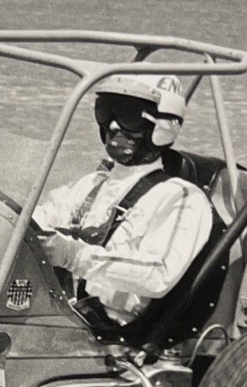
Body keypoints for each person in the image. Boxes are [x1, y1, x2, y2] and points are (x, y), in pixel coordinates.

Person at [32, 74, 215, 326]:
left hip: (109, 331)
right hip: (56, 315)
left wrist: (72, 255)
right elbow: (36, 218)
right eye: (106, 112)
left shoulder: (181, 198)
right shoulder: (92, 184)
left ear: (161, 126)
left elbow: (157, 275)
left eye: (128, 115)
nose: (114, 126)